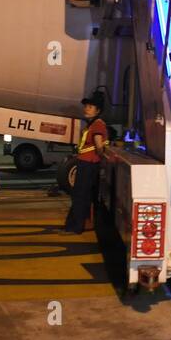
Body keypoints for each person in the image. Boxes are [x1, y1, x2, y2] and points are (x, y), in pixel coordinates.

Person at [64, 91, 109, 234]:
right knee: (79, 195)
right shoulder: (93, 124)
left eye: (90, 107)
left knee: (80, 196)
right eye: (86, 106)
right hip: (86, 163)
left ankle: (76, 227)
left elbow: (98, 145)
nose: (86, 109)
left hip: (88, 164)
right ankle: (73, 225)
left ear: (98, 110)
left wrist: (100, 158)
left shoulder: (97, 125)